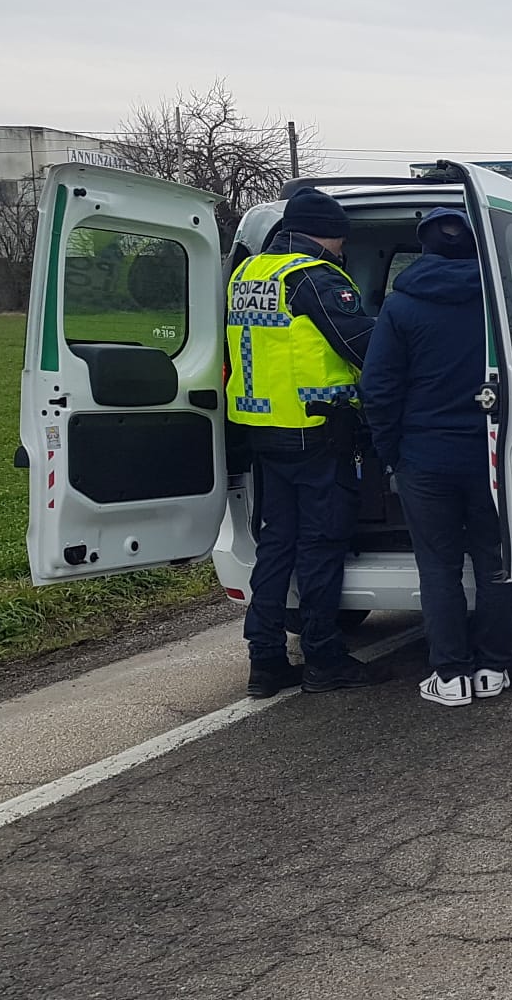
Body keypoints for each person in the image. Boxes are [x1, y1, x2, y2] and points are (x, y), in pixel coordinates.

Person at [227, 187, 389, 697]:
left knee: (277, 543)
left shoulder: (248, 274)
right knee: (321, 545)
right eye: (341, 240)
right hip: (314, 431)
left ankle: (266, 660)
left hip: (262, 429)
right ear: (331, 233)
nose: (342, 250)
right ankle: (323, 656)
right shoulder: (312, 277)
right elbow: (363, 346)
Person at [362, 209, 512, 708]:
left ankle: (450, 674)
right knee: (495, 562)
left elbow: (378, 387)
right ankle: (493, 667)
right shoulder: (502, 303)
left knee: (439, 566)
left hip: (424, 456)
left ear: (423, 249)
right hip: (493, 453)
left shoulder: (400, 306)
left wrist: (392, 453)